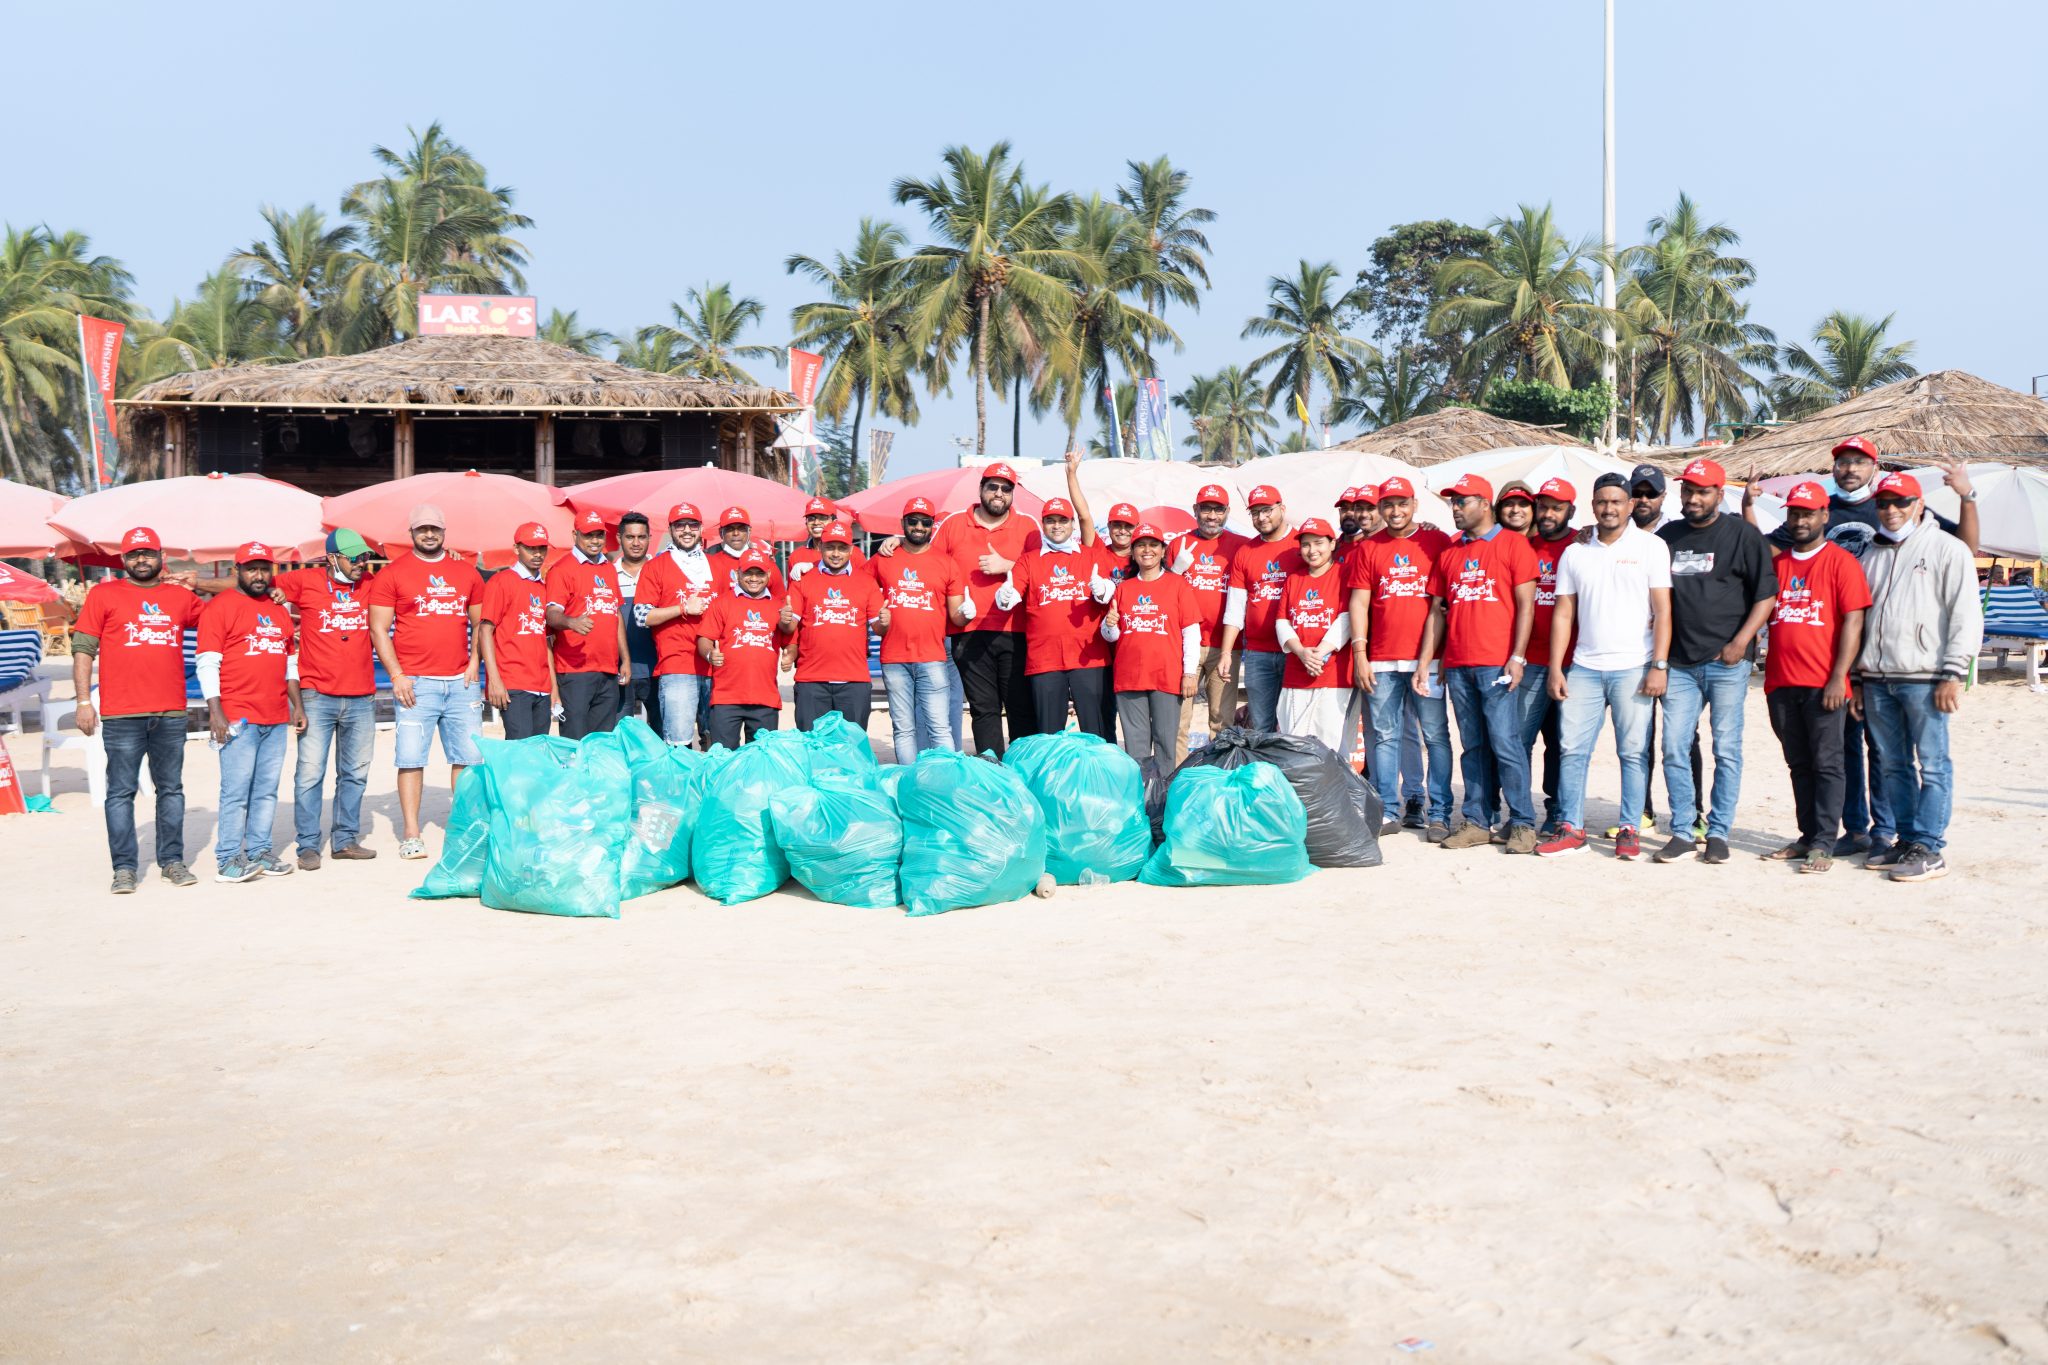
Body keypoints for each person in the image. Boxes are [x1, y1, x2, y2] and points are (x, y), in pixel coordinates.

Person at [1743, 436, 1980, 860]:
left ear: (1876, 469)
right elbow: (1768, 549)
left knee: (1915, 759)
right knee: (1863, 755)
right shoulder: (1851, 535)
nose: (1890, 511)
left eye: (1859, 462)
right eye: (1843, 462)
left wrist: (1967, 497)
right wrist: (1748, 507)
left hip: (1905, 667)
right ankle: (1859, 832)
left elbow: (1965, 557)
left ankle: (1903, 837)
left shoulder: (1919, 530)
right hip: (1864, 668)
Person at [1851, 472, 1981, 883]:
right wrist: (1856, 676)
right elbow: (1859, 619)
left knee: (1934, 764)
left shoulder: (1947, 548)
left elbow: (1965, 613)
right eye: (1884, 503)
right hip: (1876, 677)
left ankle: (1930, 845)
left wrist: (1954, 672)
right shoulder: (1869, 553)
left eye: (1901, 503)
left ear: (1919, 505)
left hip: (1926, 676)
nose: (1891, 511)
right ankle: (1907, 840)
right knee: (1893, 766)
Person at [1536, 474, 1673, 859]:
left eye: (1617, 501)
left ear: (1630, 505)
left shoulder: (1652, 547)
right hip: (1583, 667)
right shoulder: (1576, 552)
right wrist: (1556, 668)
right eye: (1602, 502)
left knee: (1632, 752)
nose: (1609, 508)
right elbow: (1564, 613)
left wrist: (1658, 664)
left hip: (1634, 665)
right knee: (1572, 750)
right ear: (1592, 506)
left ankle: (1629, 827)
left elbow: (1663, 610)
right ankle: (1571, 827)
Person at [1652, 458, 1777, 865]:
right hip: (1679, 662)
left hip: (1726, 662)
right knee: (1674, 746)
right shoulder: (1667, 536)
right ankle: (1684, 831)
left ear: (1720, 495)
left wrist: (1742, 641)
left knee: (1727, 748)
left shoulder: (1742, 535)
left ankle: (1720, 832)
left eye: (1702, 491)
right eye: (1688, 490)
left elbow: (1766, 595)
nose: (1693, 498)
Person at [71, 526, 205, 893]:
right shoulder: (104, 594)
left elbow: (221, 619)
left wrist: (202, 584)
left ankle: (172, 862)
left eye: (148, 553)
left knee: (171, 789)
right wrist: (84, 701)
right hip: (121, 714)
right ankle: (125, 868)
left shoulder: (180, 598)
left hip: (170, 713)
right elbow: (83, 648)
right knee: (120, 792)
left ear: (162, 557)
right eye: (134, 554)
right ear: (123, 560)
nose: (141, 559)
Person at [1415, 472, 1539, 853]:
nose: (1455, 507)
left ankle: (1521, 822)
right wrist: (1424, 663)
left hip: (1497, 664)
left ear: (1485, 505)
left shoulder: (1513, 545)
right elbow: (1436, 612)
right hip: (1458, 664)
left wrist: (1517, 657)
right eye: (1452, 501)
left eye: (1462, 501)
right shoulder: (1449, 553)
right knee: (1472, 745)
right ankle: (1476, 820)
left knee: (1506, 743)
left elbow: (1526, 606)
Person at [1759, 481, 1871, 874]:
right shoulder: (1780, 563)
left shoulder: (1842, 562)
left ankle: (1825, 841)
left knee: (1828, 764)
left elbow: (1854, 623)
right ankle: (1806, 835)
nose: (1800, 520)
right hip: (1780, 682)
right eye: (1794, 514)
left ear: (1825, 515)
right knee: (1798, 763)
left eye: (1808, 513)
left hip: (1823, 683)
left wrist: (1839, 678)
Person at [367, 503, 485, 861]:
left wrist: (474, 662)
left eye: (435, 528)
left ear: (444, 532)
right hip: (416, 682)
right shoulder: (393, 574)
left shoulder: (466, 573)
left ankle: (464, 829)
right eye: (422, 529)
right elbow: (378, 629)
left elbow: (481, 623)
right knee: (411, 759)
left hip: (461, 682)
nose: (429, 534)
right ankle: (412, 833)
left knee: (467, 759)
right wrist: (398, 675)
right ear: (412, 533)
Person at [1346, 477, 1456, 841]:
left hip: (1429, 661)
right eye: (1388, 505)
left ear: (1414, 505)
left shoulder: (1436, 541)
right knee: (1384, 737)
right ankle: (1388, 810)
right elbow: (1359, 602)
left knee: (1436, 736)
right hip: (1381, 659)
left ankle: (1438, 811)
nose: (1395, 512)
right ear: (1379, 509)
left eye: (1402, 504)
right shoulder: (1368, 548)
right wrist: (1361, 654)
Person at [274, 528, 380, 869]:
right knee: (309, 773)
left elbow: (411, 582)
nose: (362, 563)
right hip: (317, 694)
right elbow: (255, 586)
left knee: (355, 773)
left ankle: (345, 840)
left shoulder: (370, 585)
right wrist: (195, 584)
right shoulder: (304, 582)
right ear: (332, 558)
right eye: (354, 558)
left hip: (362, 696)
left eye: (365, 557)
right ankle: (308, 845)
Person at [196, 542, 302, 883]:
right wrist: (215, 712)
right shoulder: (221, 607)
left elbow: (289, 662)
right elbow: (208, 661)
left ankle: (259, 852)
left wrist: (296, 706)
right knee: (236, 790)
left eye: (263, 568)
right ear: (237, 571)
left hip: (274, 714)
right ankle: (228, 858)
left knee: (267, 789)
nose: (258, 575)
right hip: (238, 714)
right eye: (251, 568)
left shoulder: (278, 610)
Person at [933, 462, 1041, 756]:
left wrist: (1009, 567)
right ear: (981, 489)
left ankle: (1022, 774)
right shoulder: (954, 524)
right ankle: (993, 776)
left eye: (1006, 489)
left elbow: (1043, 574)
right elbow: (929, 566)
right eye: (992, 486)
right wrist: (896, 542)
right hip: (968, 631)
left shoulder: (1029, 526)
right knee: (984, 710)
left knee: (1020, 708)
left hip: (1015, 631)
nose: (999, 493)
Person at [996, 491, 1115, 737]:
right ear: (1043, 525)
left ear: (1072, 524)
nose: (1057, 526)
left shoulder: (1091, 555)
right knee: (1049, 735)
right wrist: (1004, 596)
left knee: (1097, 733)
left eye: (1063, 520)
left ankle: (1099, 777)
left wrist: (1103, 590)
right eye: (1051, 520)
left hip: (1088, 657)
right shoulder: (1028, 561)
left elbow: (1107, 594)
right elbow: (1011, 595)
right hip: (1045, 659)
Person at [871, 496, 967, 764]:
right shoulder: (884, 558)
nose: (919, 527)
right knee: (903, 730)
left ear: (932, 526)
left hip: (932, 657)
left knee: (939, 728)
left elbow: (957, 618)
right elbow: (852, 578)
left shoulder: (946, 562)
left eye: (925, 522)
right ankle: (909, 784)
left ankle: (946, 782)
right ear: (903, 523)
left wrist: (967, 612)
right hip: (894, 659)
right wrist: (809, 563)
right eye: (913, 521)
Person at [1102, 524, 1200, 765]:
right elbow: (1111, 636)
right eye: (1141, 545)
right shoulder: (1123, 588)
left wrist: (1189, 673)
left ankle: (1164, 798)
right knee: (1136, 749)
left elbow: (1191, 633)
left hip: (1166, 677)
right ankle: (1142, 797)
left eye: (1153, 545)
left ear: (1163, 550)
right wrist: (1109, 624)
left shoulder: (1178, 585)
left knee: (1167, 744)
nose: (1147, 550)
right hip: (1129, 678)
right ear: (1133, 552)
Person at [1166, 483, 1248, 757]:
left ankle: (1219, 780)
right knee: (1178, 721)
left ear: (1227, 512)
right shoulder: (1178, 544)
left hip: (1224, 648)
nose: (1211, 516)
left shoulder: (1240, 546)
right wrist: (1175, 571)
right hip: (1183, 647)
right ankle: (1176, 780)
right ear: (1195, 510)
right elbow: (1161, 593)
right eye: (1206, 509)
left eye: (1217, 510)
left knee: (1221, 720)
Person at [781, 520, 886, 731]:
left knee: (851, 750)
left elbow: (879, 629)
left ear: (851, 550)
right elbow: (789, 627)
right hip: (812, 680)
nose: (836, 554)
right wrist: (784, 621)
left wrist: (885, 622)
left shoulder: (866, 582)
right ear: (820, 548)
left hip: (854, 680)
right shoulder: (803, 580)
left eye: (842, 548)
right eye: (830, 547)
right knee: (812, 748)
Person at [1519, 479, 1579, 835]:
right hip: (1529, 660)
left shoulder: (1582, 546)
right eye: (1543, 507)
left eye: (1557, 508)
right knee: (1519, 740)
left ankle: (1558, 810)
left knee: (1562, 742)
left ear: (1571, 511)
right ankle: (1520, 811)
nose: (1548, 514)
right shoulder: (1525, 546)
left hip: (1572, 662)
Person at [1215, 485, 1300, 732]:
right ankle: (1265, 771)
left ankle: (1289, 771)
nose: (1261, 518)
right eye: (1255, 513)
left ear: (1281, 509)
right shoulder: (1246, 553)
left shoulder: (1302, 546)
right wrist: (1225, 653)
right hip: (1257, 654)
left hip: (1294, 651)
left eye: (1267, 510)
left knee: (1290, 723)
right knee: (1260, 724)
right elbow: (1235, 608)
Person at [635, 502, 716, 748]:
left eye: (692, 524)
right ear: (671, 529)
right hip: (678, 665)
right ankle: (679, 787)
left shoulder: (717, 565)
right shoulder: (656, 566)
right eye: (680, 525)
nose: (687, 530)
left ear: (701, 528)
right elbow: (641, 616)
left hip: (718, 667)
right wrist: (682, 609)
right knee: (679, 745)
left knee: (718, 743)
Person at [545, 509, 629, 739]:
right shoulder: (561, 569)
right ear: (575, 535)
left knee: (602, 743)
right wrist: (570, 622)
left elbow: (616, 614)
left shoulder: (608, 568)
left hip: (608, 669)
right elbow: (551, 614)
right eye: (588, 535)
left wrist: (625, 659)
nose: (595, 541)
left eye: (599, 535)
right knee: (575, 741)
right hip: (575, 671)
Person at [1274, 518, 1353, 755]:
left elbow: (1347, 617)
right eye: (1306, 545)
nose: (1312, 550)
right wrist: (1301, 652)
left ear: (1332, 544)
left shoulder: (1344, 574)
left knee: (1329, 738)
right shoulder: (1294, 579)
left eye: (1318, 543)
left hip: (1331, 673)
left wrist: (1319, 653)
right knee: (1293, 738)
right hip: (1296, 670)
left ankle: (1332, 790)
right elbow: (1282, 621)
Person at [697, 549, 786, 747]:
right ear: (737, 574)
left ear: (769, 575)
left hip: (765, 699)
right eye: (748, 573)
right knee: (724, 760)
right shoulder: (721, 603)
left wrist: (790, 655)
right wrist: (710, 654)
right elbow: (704, 638)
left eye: (760, 573)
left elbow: (791, 642)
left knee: (761, 763)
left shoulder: (778, 607)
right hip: (726, 698)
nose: (754, 578)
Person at [478, 522, 555, 741]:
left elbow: (546, 640)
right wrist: (494, 679)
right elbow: (485, 630)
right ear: (516, 549)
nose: (537, 553)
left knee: (540, 752)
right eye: (531, 548)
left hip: (541, 685)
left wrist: (553, 686)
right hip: (513, 683)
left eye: (542, 548)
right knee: (520, 751)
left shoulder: (545, 586)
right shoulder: (501, 582)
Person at [613, 511, 662, 738]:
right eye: (630, 537)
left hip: (659, 668)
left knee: (661, 735)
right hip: (620, 669)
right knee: (619, 734)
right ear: (619, 538)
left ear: (650, 538)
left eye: (641, 537)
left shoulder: (662, 571)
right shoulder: (607, 574)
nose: (636, 543)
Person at [710, 506, 786, 596]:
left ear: (749, 531)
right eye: (730, 529)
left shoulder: (767, 563)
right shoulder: (709, 563)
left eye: (741, 528)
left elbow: (780, 601)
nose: (736, 533)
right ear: (720, 533)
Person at [787, 497, 866, 581]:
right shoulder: (796, 556)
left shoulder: (853, 553)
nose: (816, 522)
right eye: (811, 518)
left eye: (822, 518)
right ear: (806, 523)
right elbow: (792, 592)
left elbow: (866, 584)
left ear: (834, 521)